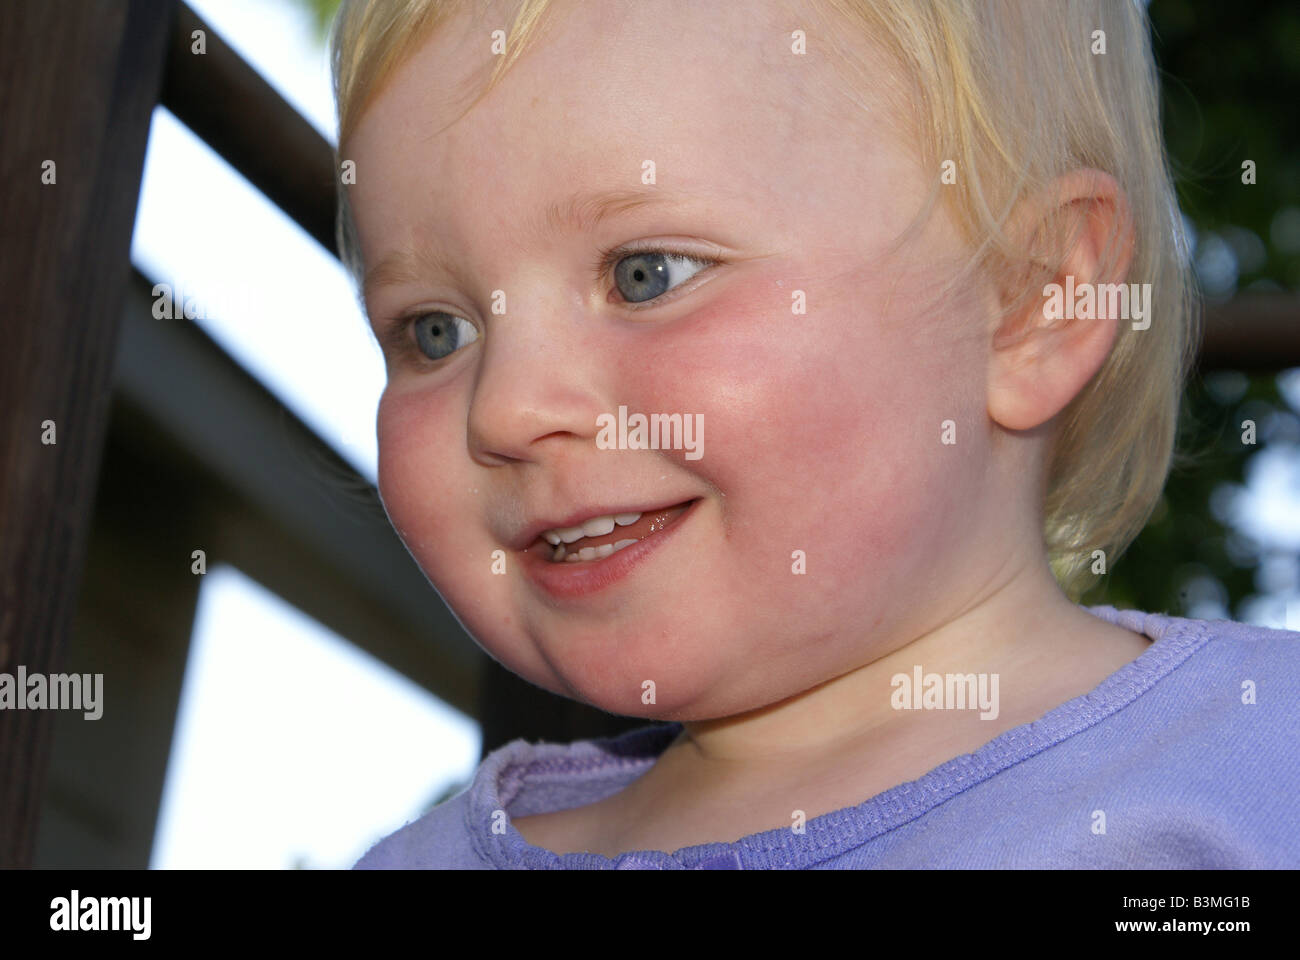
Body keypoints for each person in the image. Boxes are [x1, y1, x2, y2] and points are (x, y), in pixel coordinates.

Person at [330, 0, 1300, 868]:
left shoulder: (1258, 764)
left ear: (1029, 300)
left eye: (646, 274)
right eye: (434, 332)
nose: (506, 408)